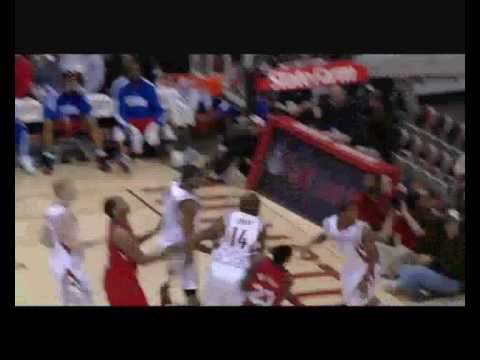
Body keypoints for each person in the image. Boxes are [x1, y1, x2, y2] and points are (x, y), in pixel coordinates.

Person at [189, 193, 266, 306]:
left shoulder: (227, 218)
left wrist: (209, 251)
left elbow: (195, 239)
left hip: (217, 271)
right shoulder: (259, 226)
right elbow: (258, 258)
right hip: (239, 276)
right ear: (256, 208)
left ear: (240, 205)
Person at [303, 202, 380, 306]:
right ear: (343, 213)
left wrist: (366, 278)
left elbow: (373, 255)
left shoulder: (362, 230)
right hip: (350, 266)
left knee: (357, 301)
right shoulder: (332, 223)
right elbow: (324, 236)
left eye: (356, 210)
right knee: (356, 299)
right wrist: (308, 245)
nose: (355, 213)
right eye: (352, 210)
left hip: (368, 267)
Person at [103, 196, 175, 306]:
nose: (125, 202)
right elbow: (141, 259)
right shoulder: (120, 233)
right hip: (121, 283)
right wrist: (163, 254)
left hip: (124, 278)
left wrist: (155, 231)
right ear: (115, 211)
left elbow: (133, 240)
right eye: (121, 202)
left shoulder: (121, 222)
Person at [39, 179, 100, 305]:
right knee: (84, 300)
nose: (76, 190)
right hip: (69, 265)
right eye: (72, 188)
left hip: (57, 261)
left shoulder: (50, 210)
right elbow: (71, 243)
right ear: (62, 192)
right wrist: (96, 242)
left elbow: (45, 240)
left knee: (68, 300)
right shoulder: (64, 214)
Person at [384, 210, 465, 301]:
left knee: (414, 272)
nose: (447, 226)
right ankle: (405, 288)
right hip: (444, 276)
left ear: (458, 224)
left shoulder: (461, 243)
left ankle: (411, 292)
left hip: (456, 283)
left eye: (451, 223)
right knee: (406, 268)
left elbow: (456, 270)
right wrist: (430, 263)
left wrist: (432, 261)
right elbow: (440, 260)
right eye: (446, 224)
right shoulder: (449, 241)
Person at [40, 70, 110, 174]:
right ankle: (48, 160)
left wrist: (79, 96)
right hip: (59, 122)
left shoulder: (80, 94)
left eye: (73, 81)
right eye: (68, 81)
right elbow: (49, 113)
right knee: (47, 123)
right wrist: (62, 117)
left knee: (92, 120)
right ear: (63, 82)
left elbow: (86, 111)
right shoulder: (53, 94)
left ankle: (101, 155)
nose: (71, 84)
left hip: (76, 122)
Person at [157, 165, 204, 306]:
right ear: (190, 179)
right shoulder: (188, 202)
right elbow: (187, 229)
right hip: (180, 242)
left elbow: (167, 209)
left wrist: (160, 225)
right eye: (199, 178)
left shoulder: (173, 186)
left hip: (167, 237)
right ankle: (169, 293)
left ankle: (165, 290)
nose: (201, 181)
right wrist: (189, 252)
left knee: (176, 272)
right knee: (190, 279)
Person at [113, 56, 165, 172]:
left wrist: (155, 122)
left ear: (140, 72)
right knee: (123, 134)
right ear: (127, 74)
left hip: (148, 121)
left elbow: (158, 108)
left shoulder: (149, 87)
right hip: (132, 122)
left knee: (152, 139)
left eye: (136, 71)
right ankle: (128, 158)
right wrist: (127, 125)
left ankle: (158, 159)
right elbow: (122, 110)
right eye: (131, 71)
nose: (134, 73)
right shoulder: (123, 90)